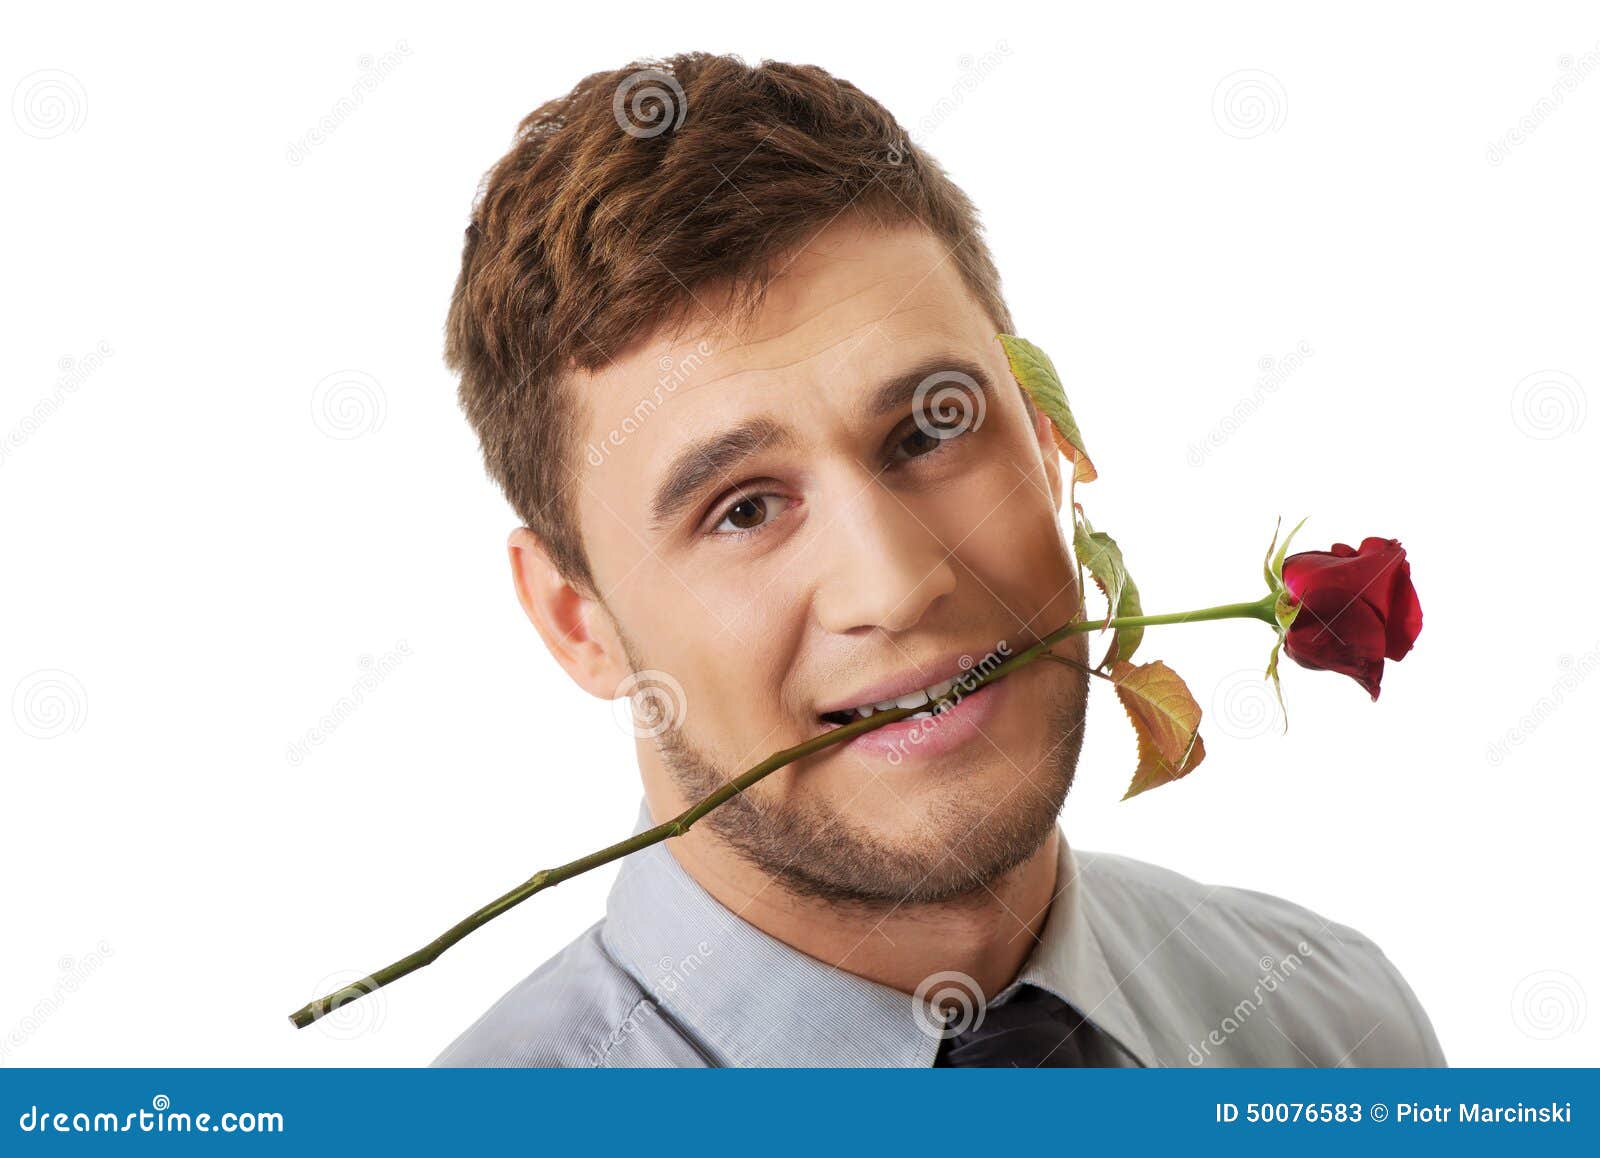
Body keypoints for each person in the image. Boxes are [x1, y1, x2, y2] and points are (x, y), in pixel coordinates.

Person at [430, 52, 1444, 1068]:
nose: (896, 583)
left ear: (1048, 447)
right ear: (576, 622)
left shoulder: (1334, 1029)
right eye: (741, 510)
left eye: (928, 432)